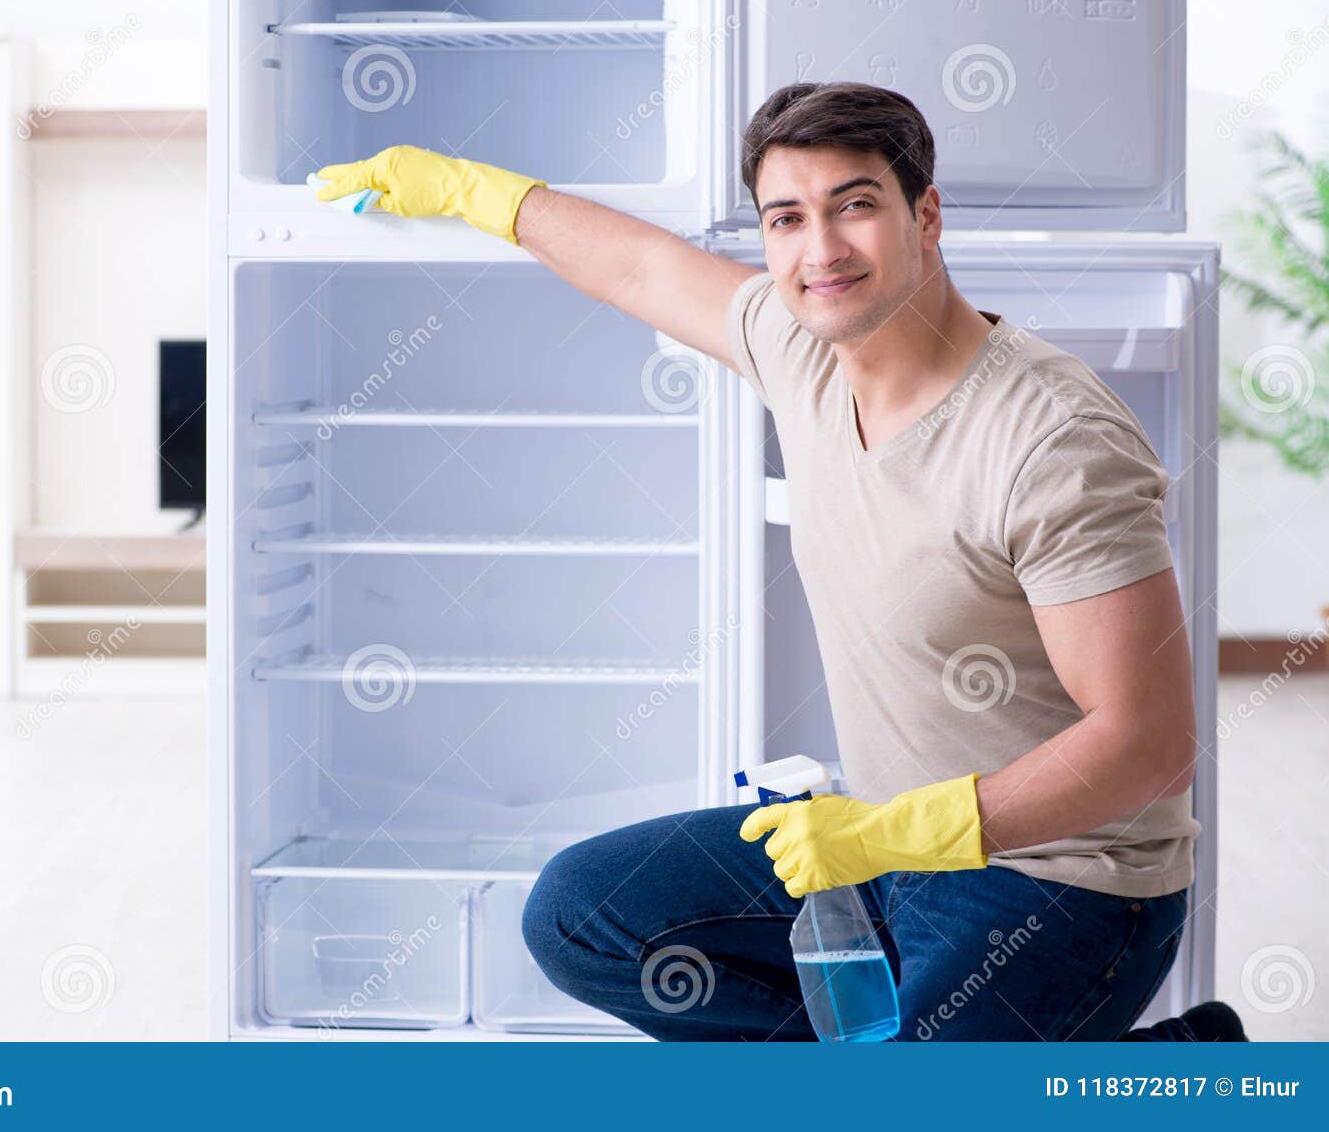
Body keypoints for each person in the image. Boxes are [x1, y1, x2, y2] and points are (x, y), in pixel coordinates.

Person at [312, 80, 1247, 1042]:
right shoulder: (800, 348)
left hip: (1060, 886)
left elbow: (1148, 743)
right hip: (872, 855)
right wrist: (470, 189)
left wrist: (891, 833)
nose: (822, 250)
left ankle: (1180, 1067)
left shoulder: (1051, 438)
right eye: (786, 219)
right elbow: (639, 269)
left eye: (856, 205)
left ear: (925, 215)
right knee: (578, 917)